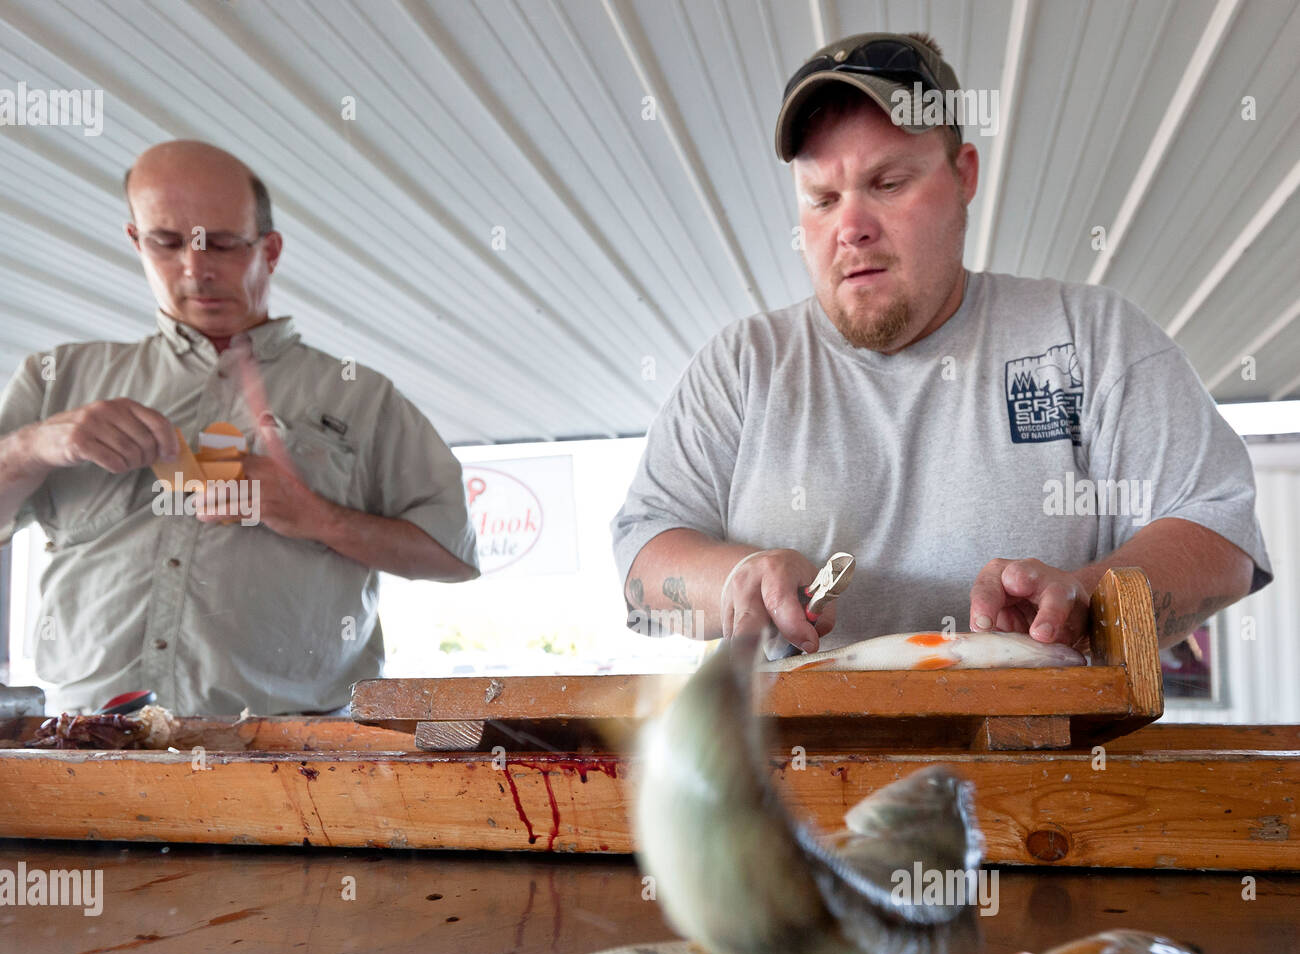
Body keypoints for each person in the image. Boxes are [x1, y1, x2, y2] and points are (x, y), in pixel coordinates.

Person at [612, 32, 1270, 656]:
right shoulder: (741, 367)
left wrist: (1092, 597)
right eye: (821, 198)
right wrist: (730, 583)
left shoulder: (1088, 337)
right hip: (786, 772)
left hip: (1045, 770)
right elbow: (641, 562)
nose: (851, 227)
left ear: (964, 175)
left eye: (888, 184)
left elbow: (1222, 537)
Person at [0, 140, 478, 717]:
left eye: (222, 244)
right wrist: (34, 446)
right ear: (135, 240)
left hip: (291, 761)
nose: (195, 269)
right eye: (167, 242)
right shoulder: (58, 380)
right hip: (89, 743)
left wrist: (314, 516)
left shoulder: (362, 396)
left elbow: (454, 554)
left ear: (269, 250)